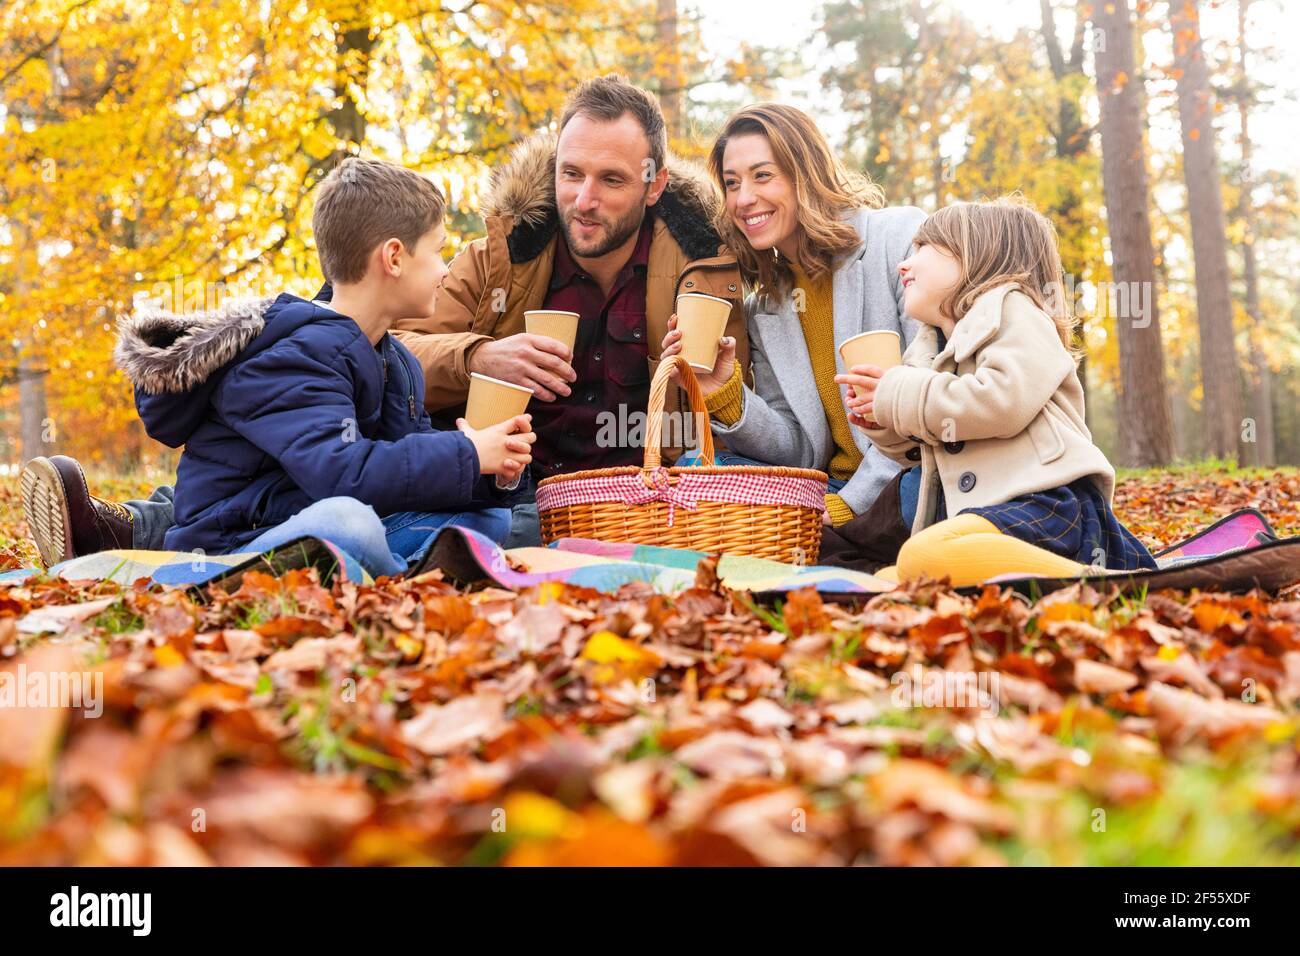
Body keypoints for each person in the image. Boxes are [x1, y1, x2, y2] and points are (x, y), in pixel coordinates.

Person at [23, 74, 747, 560]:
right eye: (571, 173)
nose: (583, 199)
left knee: (359, 494)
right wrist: (478, 360)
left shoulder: (702, 263)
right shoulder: (503, 253)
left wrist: (709, 381)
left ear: (652, 185)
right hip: (496, 479)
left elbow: (733, 410)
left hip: (619, 489)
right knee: (333, 495)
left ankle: (152, 525)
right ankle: (154, 529)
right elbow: (391, 356)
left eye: (611, 180)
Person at [25, 157, 535, 577]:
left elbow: (407, 468)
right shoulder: (295, 355)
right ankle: (395, 572)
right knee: (349, 521)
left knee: (486, 517)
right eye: (439, 250)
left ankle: (389, 567)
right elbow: (347, 474)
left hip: (310, 516)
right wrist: (463, 453)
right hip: (232, 540)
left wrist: (494, 466)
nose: (446, 269)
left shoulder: (397, 361)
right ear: (394, 258)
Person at [840, 195, 1157, 587]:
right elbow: (928, 445)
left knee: (920, 558)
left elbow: (1001, 401)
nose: (905, 262)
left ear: (978, 258)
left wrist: (902, 393)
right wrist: (883, 418)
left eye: (924, 248)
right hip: (984, 514)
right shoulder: (930, 348)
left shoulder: (1014, 310)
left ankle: (1106, 582)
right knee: (896, 571)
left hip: (1044, 505)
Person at [660, 103, 924, 529]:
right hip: (830, 489)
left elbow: (925, 405)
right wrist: (725, 394)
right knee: (700, 470)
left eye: (763, 175)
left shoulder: (897, 241)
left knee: (922, 493)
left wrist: (846, 508)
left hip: (906, 479)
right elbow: (800, 449)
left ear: (806, 172)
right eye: (732, 183)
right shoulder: (767, 306)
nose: (744, 199)